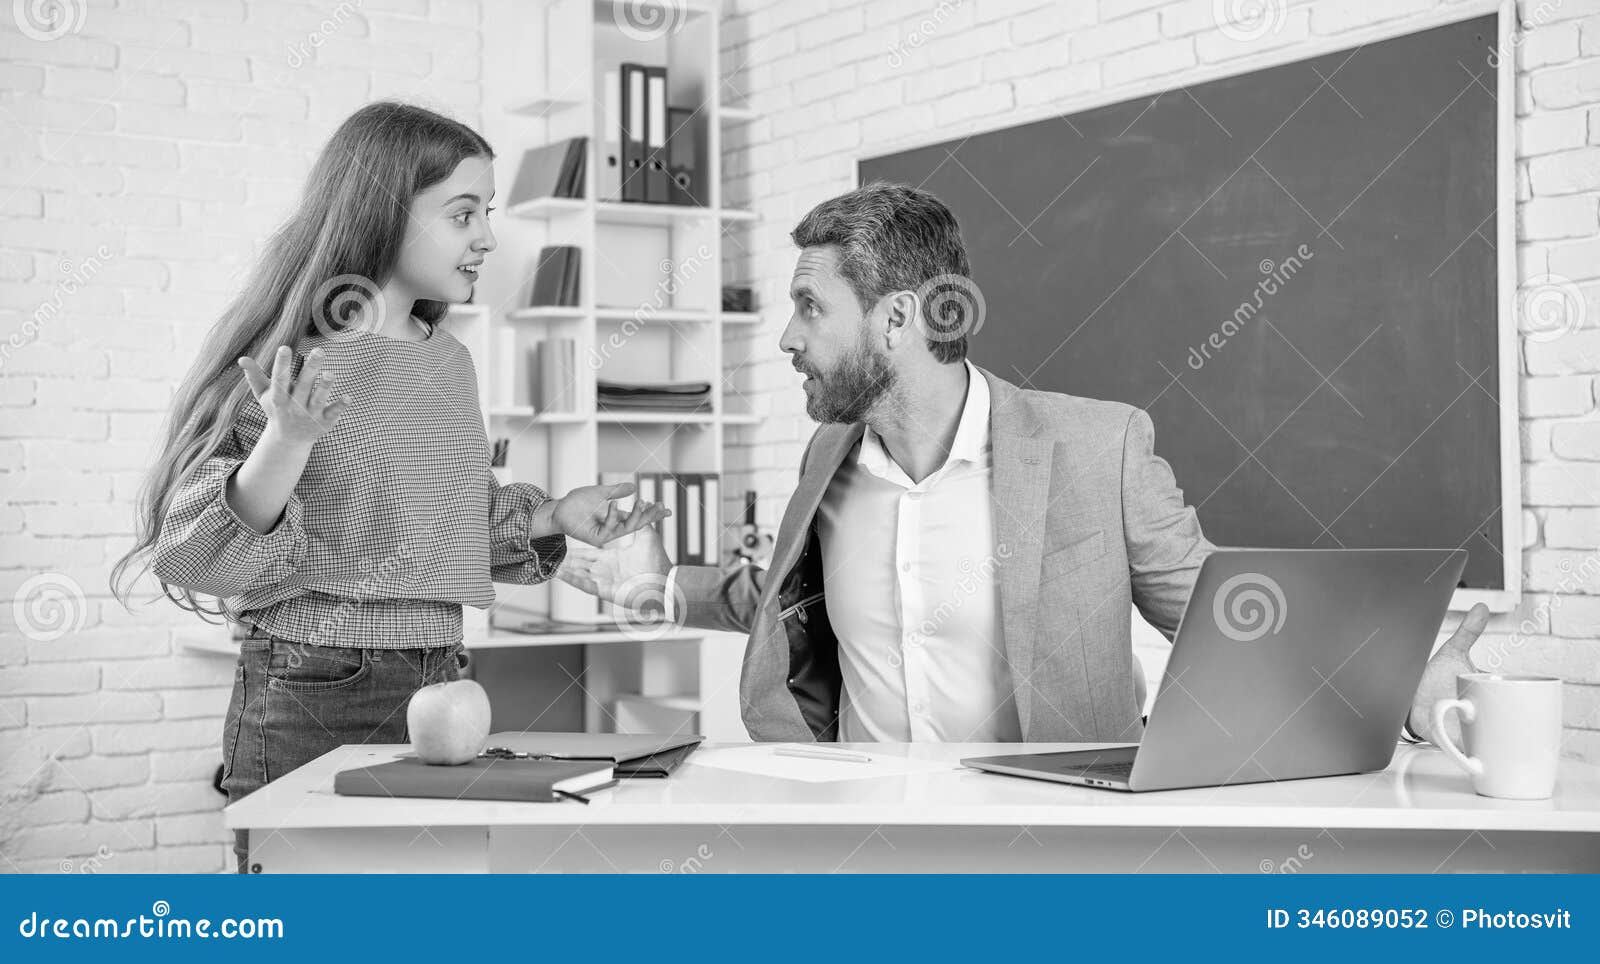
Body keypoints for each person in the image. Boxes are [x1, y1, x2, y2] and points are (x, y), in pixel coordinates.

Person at [560, 182, 1488, 746]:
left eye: (809, 307)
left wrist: (1401, 688)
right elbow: (779, 600)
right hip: (863, 849)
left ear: (897, 319)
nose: (785, 338)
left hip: (1045, 855)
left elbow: (1233, 619)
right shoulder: (829, 454)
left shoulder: (1095, 449)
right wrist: (657, 587)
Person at [110, 102, 668, 872]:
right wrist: (287, 439)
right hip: (314, 682)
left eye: (489, 212)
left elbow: (450, 519)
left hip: (443, 681)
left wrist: (554, 514)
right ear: (381, 213)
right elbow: (203, 552)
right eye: (462, 213)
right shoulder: (292, 361)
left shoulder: (448, 360)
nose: (487, 237)